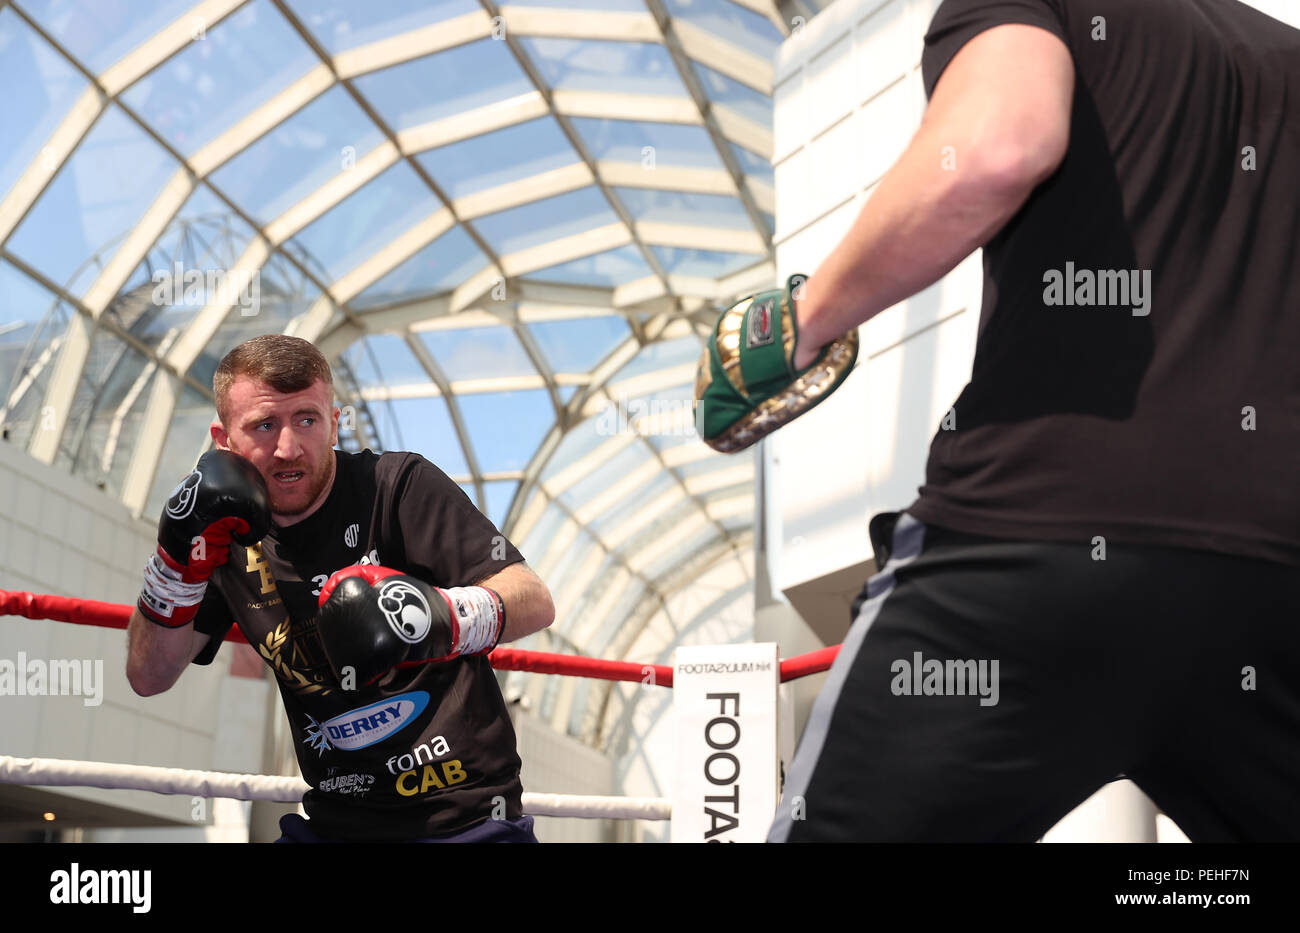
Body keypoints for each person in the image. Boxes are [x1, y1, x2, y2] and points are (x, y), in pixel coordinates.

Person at [703, 0, 1300, 841]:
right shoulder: (1284, 52)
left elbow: (993, 150)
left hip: (1035, 531)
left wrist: (808, 322)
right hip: (1276, 576)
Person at [126, 334, 555, 842]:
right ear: (224, 440)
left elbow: (533, 598)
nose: (288, 447)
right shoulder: (225, 536)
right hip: (335, 824)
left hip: (466, 821)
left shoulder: (395, 486)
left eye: (306, 419)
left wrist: (437, 616)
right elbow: (148, 675)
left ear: (334, 422)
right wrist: (175, 567)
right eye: (264, 426)